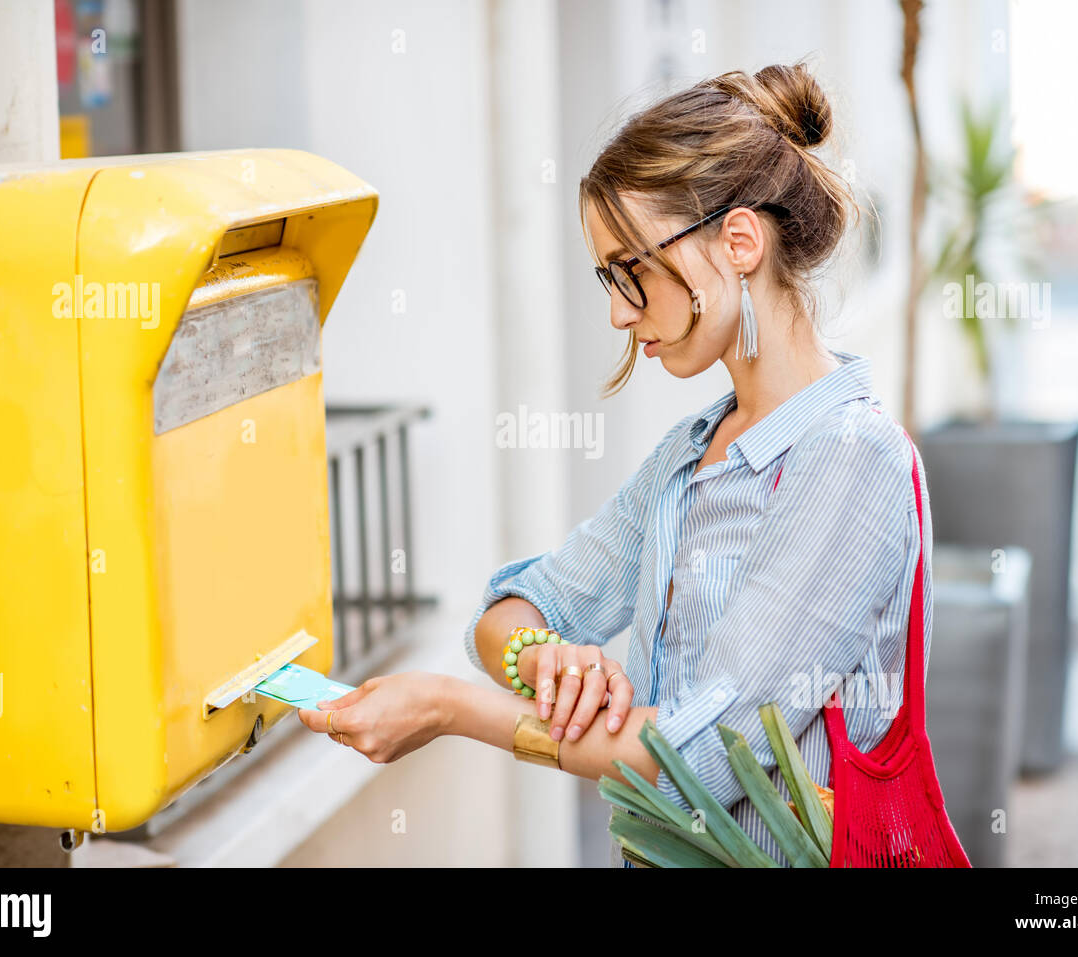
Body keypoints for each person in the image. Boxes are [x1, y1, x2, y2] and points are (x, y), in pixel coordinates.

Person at [297, 61, 934, 868]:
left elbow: (698, 757)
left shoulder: (852, 459)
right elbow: (512, 608)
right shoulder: (692, 452)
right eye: (608, 277)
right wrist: (545, 660)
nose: (618, 311)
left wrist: (455, 710)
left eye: (632, 270)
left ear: (739, 241)